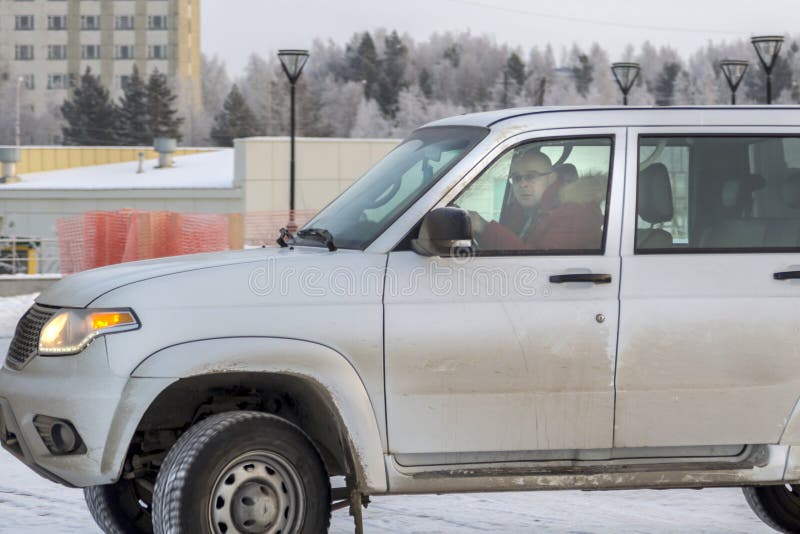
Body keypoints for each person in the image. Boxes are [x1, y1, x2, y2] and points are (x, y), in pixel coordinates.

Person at [469, 150, 604, 251]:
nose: (523, 184)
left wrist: (484, 227)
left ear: (551, 179)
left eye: (531, 176)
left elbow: (539, 265)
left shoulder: (574, 212)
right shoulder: (529, 210)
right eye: (517, 178)